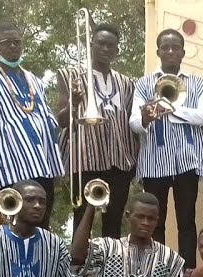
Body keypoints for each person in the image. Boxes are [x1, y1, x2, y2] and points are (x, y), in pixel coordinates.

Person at [0, 20, 65, 227]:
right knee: (14, 230)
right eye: (6, 42)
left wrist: (73, 105)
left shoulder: (34, 80)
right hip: (11, 172)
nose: (13, 46)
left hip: (43, 168)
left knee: (42, 229)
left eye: (17, 42)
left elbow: (51, 124)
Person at [130, 29, 203, 267]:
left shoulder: (197, 83)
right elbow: (134, 123)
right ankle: (155, 270)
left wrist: (173, 108)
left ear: (182, 53)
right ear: (158, 52)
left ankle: (187, 274)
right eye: (165, 48)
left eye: (174, 47)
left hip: (188, 160)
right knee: (154, 220)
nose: (170, 52)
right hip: (154, 161)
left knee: (186, 221)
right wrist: (146, 117)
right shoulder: (144, 83)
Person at [57, 23, 138, 238]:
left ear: (117, 50)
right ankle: (77, 268)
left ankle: (109, 268)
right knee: (82, 218)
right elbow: (61, 121)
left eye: (111, 45)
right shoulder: (70, 75)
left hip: (119, 161)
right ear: (91, 44)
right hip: (85, 160)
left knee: (113, 222)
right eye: (101, 43)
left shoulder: (126, 83)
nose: (106, 49)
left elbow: (131, 123)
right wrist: (74, 103)